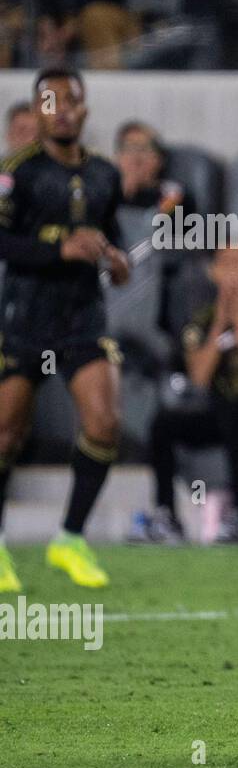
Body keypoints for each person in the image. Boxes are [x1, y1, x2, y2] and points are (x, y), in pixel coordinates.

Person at [0, 67, 130, 594]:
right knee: (6, 434)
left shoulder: (105, 173)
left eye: (69, 100)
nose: (62, 110)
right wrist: (59, 250)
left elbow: (109, 237)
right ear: (36, 113)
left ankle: (70, 538)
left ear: (84, 109)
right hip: (24, 320)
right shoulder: (17, 173)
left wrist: (116, 262)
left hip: (82, 320)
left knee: (104, 424)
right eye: (49, 102)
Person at [133, 244, 238, 544]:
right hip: (216, 412)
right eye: (226, 264)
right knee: (163, 423)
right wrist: (221, 323)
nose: (233, 273)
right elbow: (200, 378)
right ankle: (166, 514)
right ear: (213, 272)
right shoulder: (201, 321)